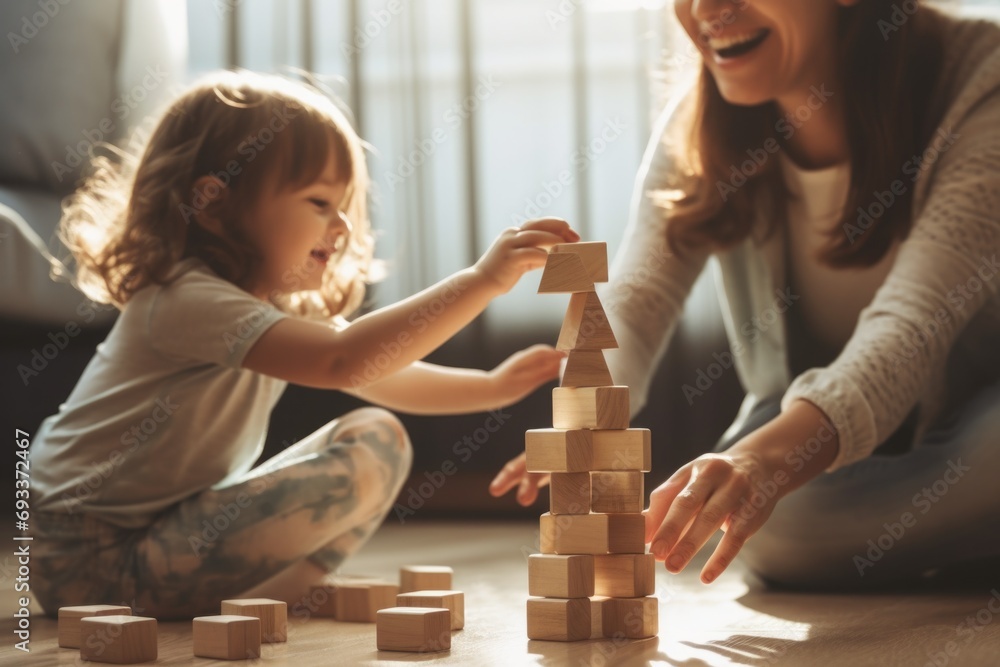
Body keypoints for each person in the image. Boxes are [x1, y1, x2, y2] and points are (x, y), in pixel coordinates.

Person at [29, 70, 579, 618]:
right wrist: (481, 281)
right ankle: (251, 597)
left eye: (342, 206)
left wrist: (491, 387)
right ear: (214, 204)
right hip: (87, 557)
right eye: (318, 202)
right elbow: (346, 360)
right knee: (376, 445)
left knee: (374, 436)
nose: (340, 225)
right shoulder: (184, 298)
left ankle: (263, 597)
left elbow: (379, 372)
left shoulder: (260, 311)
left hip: (162, 533)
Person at [491, 0, 1000, 589]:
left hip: (976, 411)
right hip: (812, 421)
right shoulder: (702, 117)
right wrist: (584, 419)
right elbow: (638, 298)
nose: (707, 10)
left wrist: (758, 461)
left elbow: (910, 330)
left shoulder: (980, 86)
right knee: (774, 530)